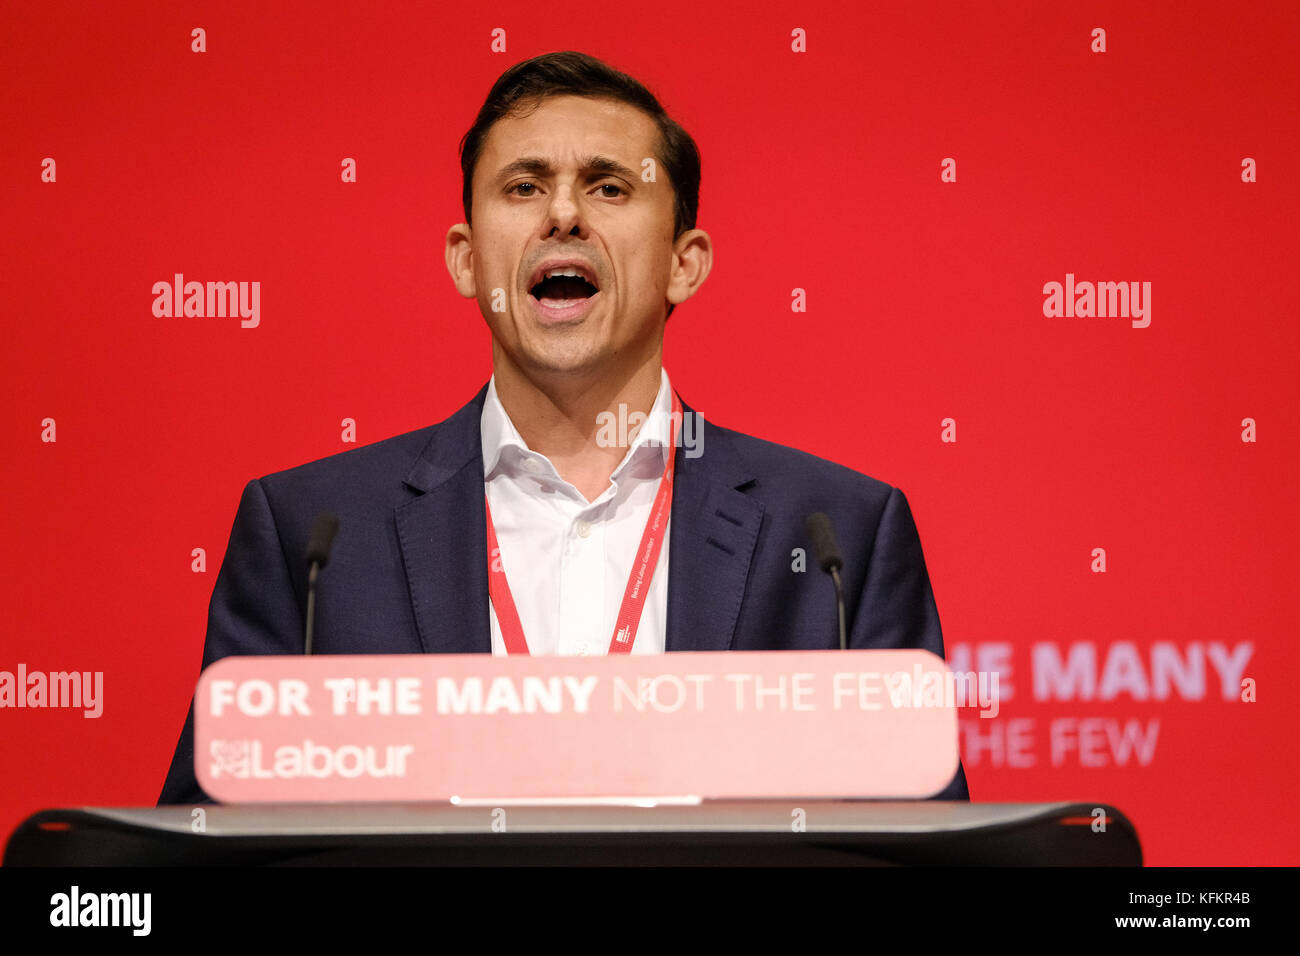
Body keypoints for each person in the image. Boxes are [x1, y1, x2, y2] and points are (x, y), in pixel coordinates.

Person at [160, 50, 969, 804]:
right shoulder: (314, 539)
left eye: (611, 187)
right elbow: (208, 848)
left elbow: (921, 860)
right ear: (467, 259)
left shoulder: (839, 538)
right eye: (523, 187)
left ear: (684, 262)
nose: (563, 215)